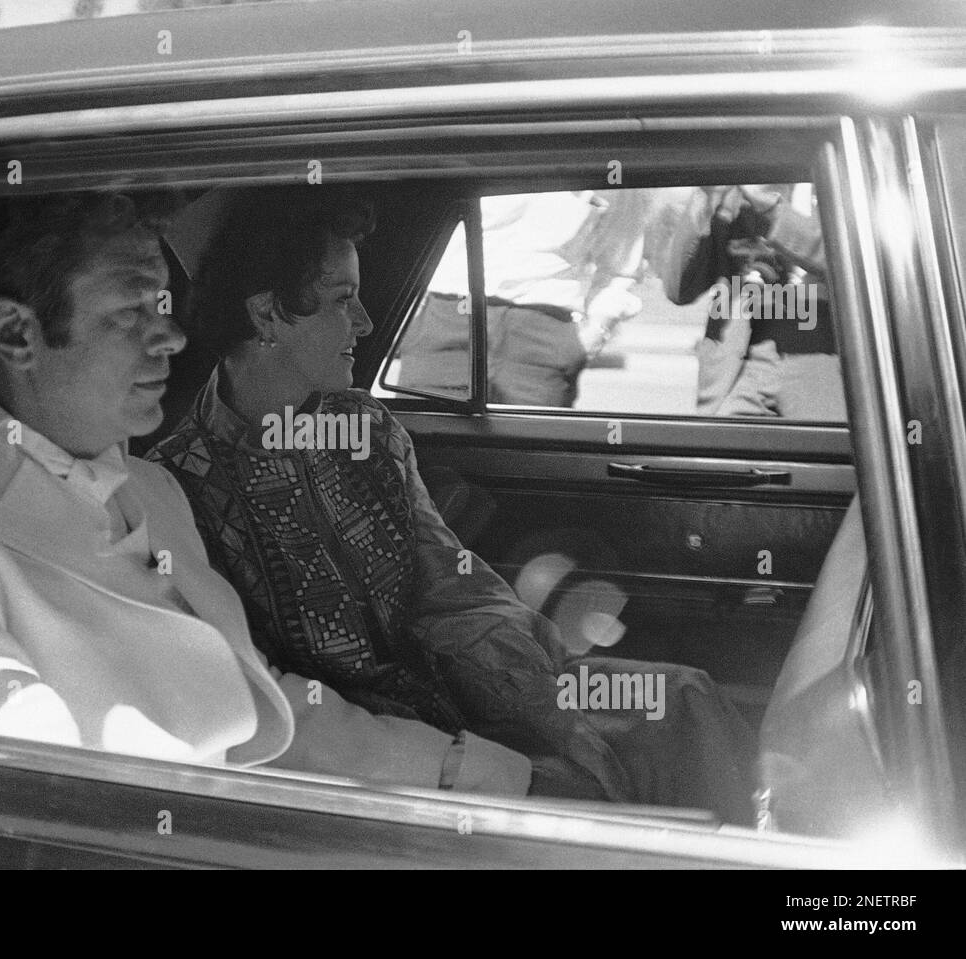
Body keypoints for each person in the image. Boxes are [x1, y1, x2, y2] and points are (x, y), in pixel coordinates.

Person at [0, 190, 535, 795]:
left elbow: (254, 709)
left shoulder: (151, 486)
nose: (172, 339)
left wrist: (463, 773)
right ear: (16, 334)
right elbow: (44, 798)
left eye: (164, 304)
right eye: (132, 312)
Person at [150, 187, 759, 822]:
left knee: (680, 698)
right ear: (267, 313)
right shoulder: (178, 486)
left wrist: (545, 690)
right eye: (340, 300)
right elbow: (268, 697)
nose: (364, 321)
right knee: (593, 777)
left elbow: (451, 584)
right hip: (373, 756)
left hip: (465, 684)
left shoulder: (365, 430)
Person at [394, 190, 655, 407]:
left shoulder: (600, 155)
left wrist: (591, 336)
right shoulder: (467, 141)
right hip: (446, 319)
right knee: (424, 449)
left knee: (531, 459)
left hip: (543, 335)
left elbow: (621, 266)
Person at [657, 183, 844, 420]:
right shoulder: (733, 195)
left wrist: (773, 210)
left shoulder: (838, 173)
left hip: (818, 364)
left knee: (819, 451)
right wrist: (706, 197)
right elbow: (679, 290)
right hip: (736, 373)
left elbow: (855, 264)